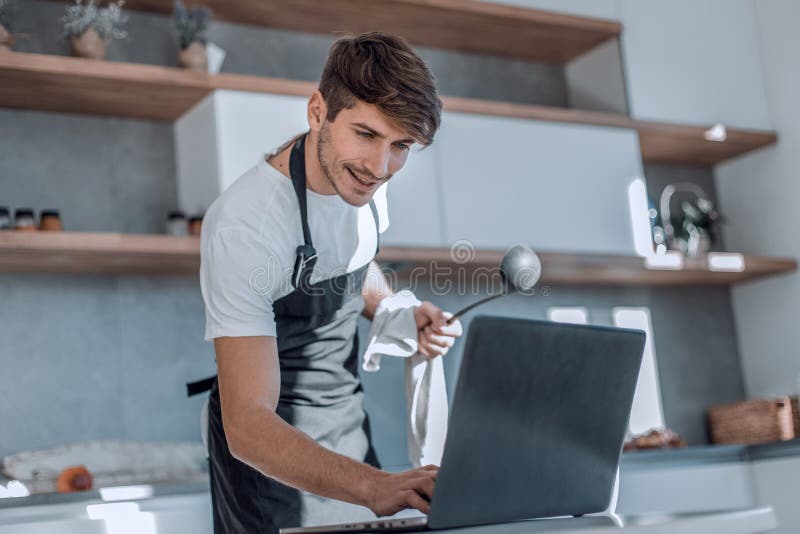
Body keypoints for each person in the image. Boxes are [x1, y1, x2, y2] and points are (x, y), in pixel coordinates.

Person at [197, 32, 463, 533]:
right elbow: (249, 425)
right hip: (269, 459)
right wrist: (372, 485)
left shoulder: (364, 181)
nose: (381, 167)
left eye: (401, 145)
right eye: (365, 134)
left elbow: (354, 265)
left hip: (345, 429)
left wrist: (395, 312)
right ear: (318, 111)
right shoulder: (244, 228)